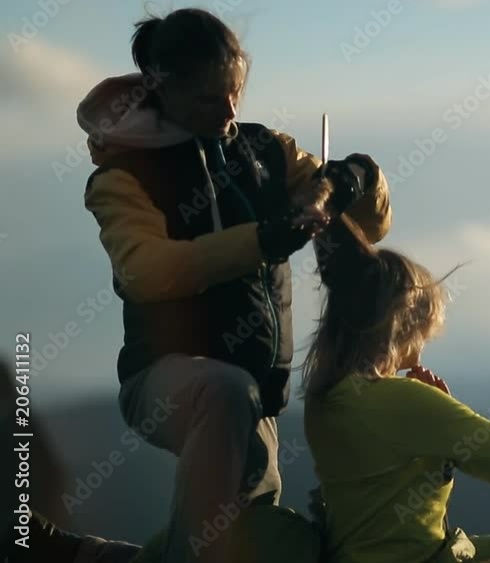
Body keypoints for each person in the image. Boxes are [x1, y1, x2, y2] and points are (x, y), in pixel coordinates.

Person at [76, 8, 391, 563]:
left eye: (235, 93)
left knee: (252, 542)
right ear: (161, 91)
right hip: (164, 382)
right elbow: (145, 271)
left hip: (257, 394)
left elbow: (371, 222)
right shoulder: (122, 176)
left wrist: (347, 181)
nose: (227, 111)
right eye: (208, 98)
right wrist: (265, 239)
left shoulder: (266, 151)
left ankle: (84, 556)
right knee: (223, 395)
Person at [299, 214, 490, 563]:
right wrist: (446, 419)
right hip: (423, 557)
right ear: (402, 323)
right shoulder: (403, 400)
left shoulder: (324, 399)